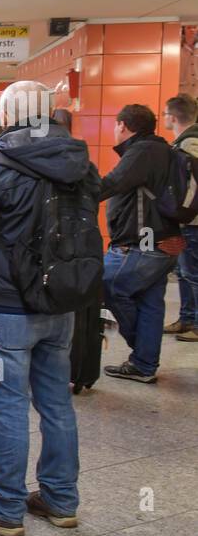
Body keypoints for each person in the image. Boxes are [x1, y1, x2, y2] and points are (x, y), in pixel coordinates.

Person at [0, 80, 95, 536]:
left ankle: (6, 507)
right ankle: (59, 500)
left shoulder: (0, 164)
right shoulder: (80, 162)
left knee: (7, 405)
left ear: (8, 116)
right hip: (61, 302)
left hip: (4, 306)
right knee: (56, 405)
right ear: (50, 113)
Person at [99, 103, 183, 383]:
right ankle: (144, 365)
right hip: (164, 242)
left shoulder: (142, 151)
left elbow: (110, 184)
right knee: (149, 302)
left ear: (123, 125)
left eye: (115, 125)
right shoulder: (162, 148)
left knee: (108, 284)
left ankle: (142, 351)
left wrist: (73, 196)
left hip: (142, 244)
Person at [161, 93, 198, 342]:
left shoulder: (190, 144)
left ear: (173, 117)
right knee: (185, 272)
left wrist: (183, 212)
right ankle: (186, 318)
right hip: (187, 220)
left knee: (194, 273)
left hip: (193, 221)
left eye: (164, 114)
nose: (163, 118)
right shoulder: (183, 142)